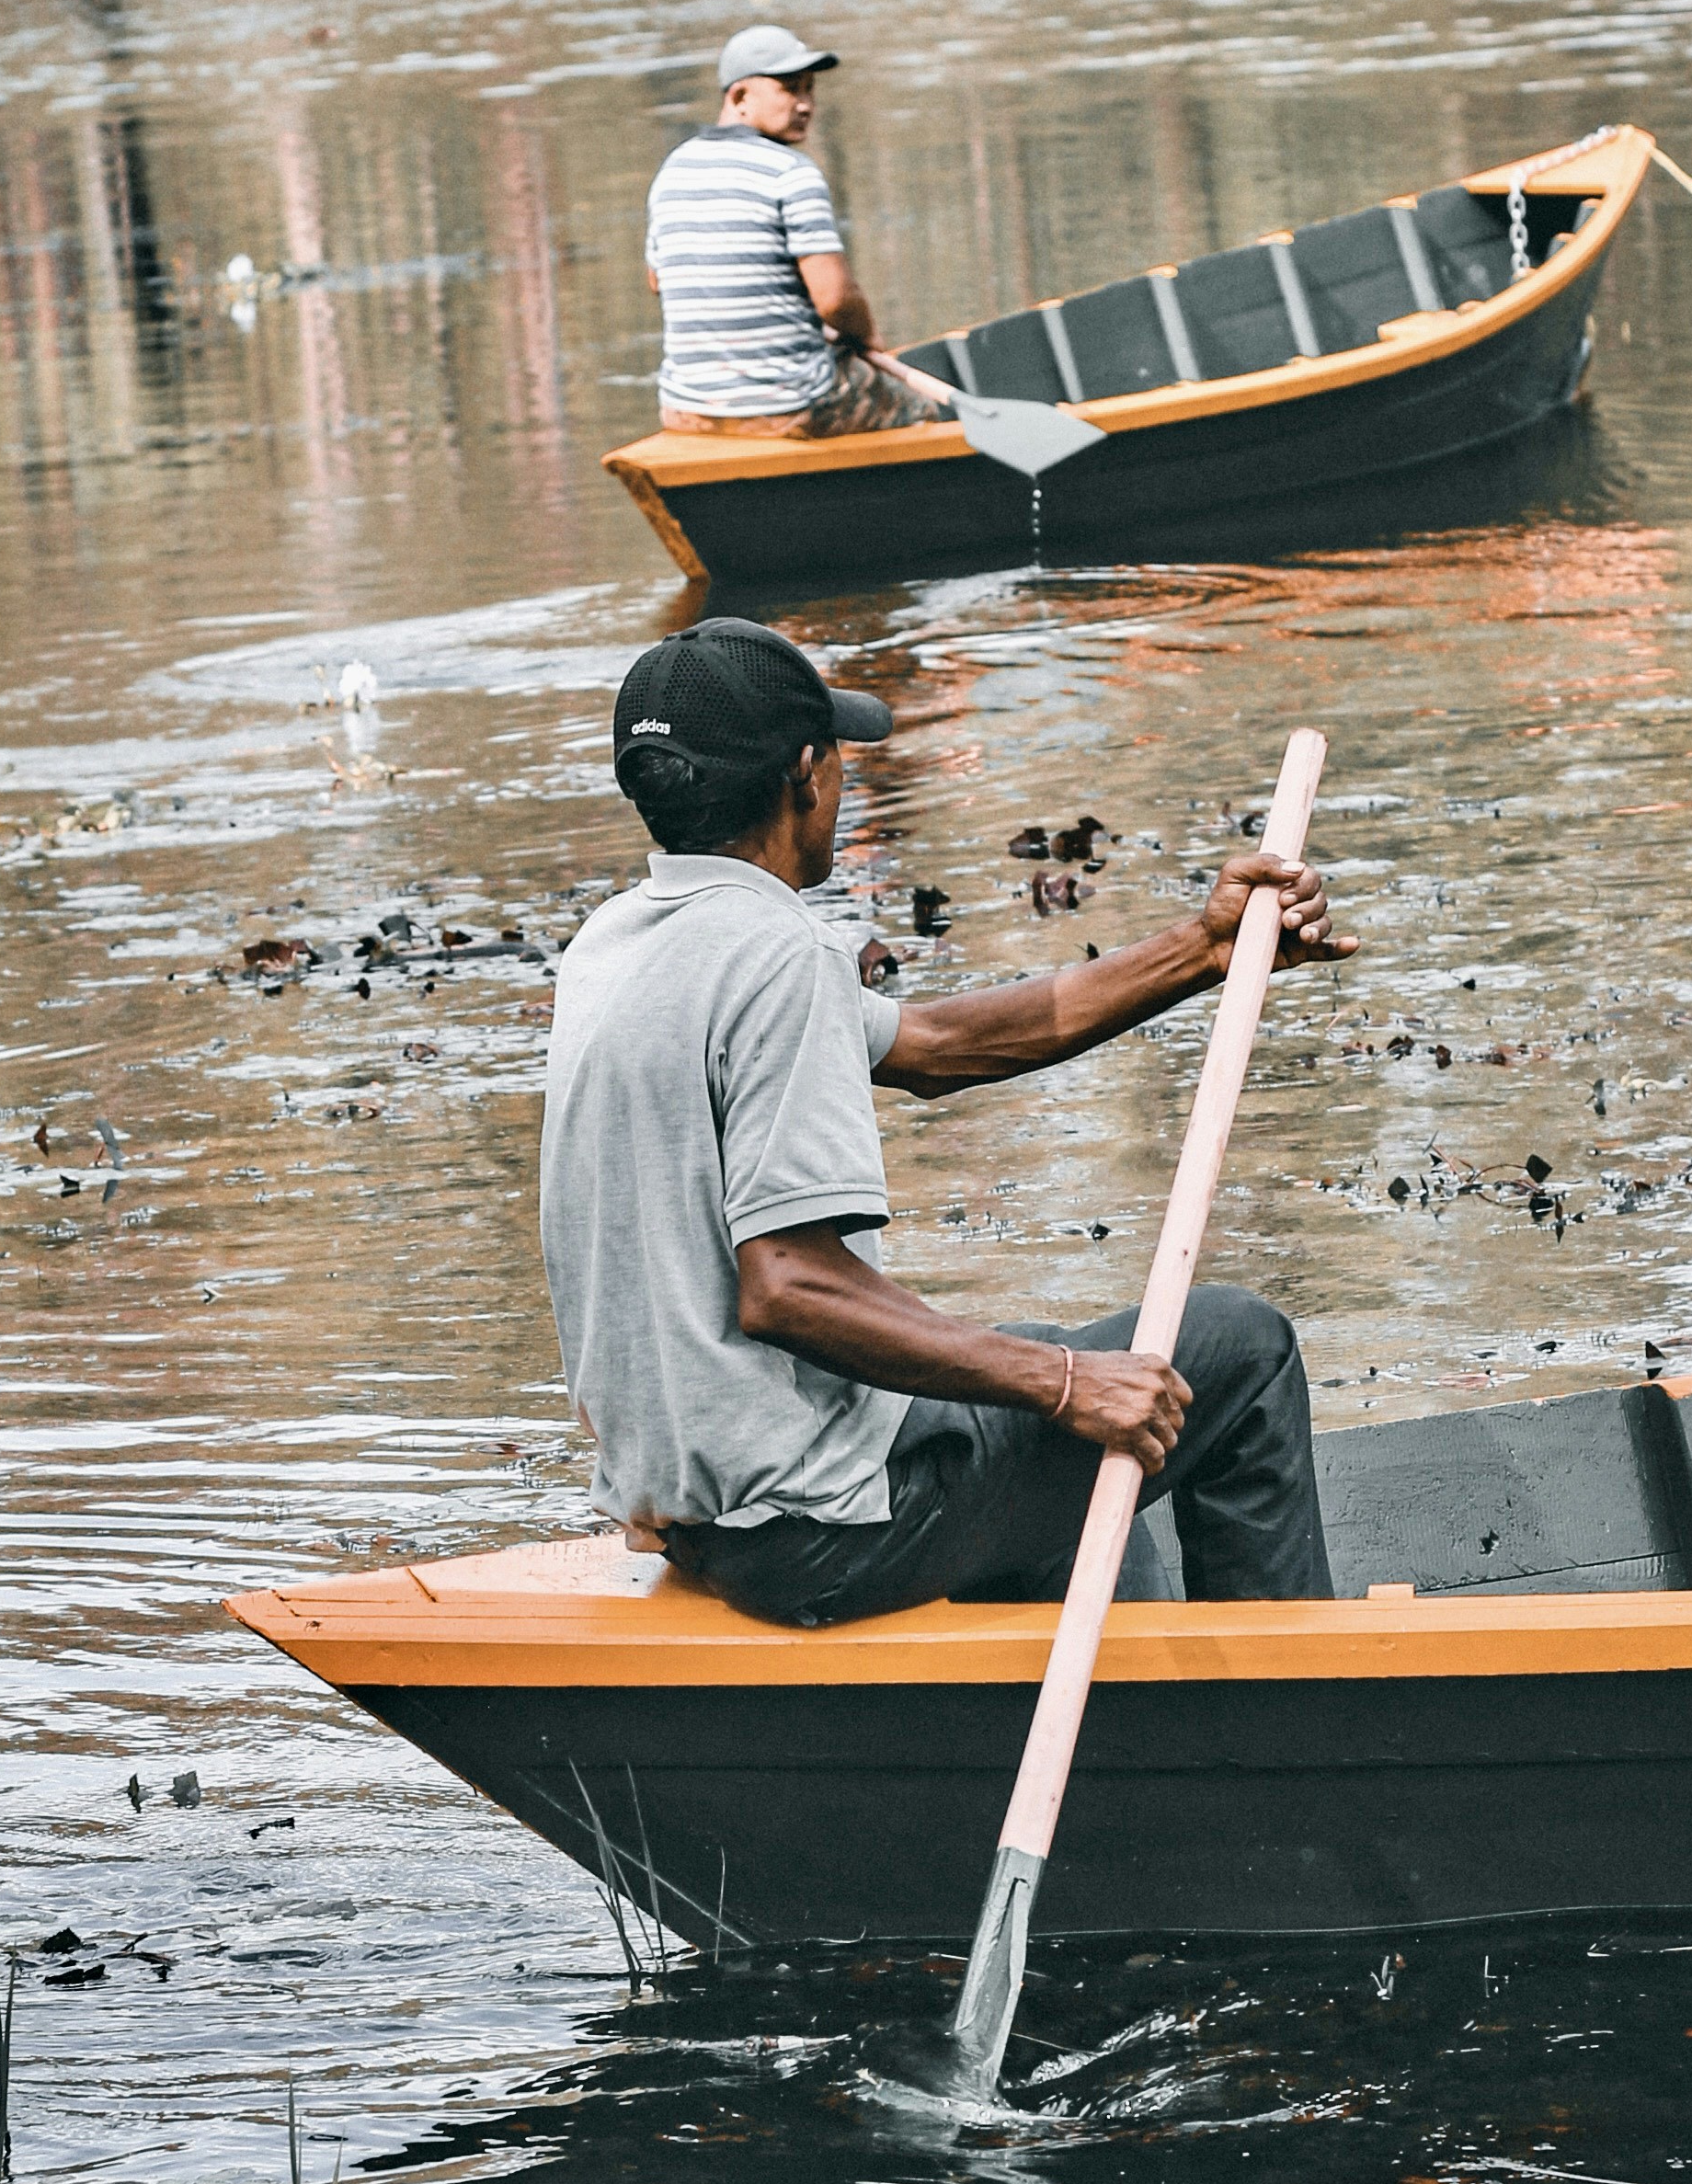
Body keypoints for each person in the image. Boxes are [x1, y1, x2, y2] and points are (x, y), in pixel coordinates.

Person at [539, 614, 1342, 1628]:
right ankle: (1286, 1719)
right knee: (1240, 1346)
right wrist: (1060, 1384)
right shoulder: (777, 958)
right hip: (814, 1531)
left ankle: (1112, 1692)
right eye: (838, 758)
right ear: (806, 776)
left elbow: (942, 1047)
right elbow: (788, 1287)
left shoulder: (613, 944)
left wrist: (1202, 948)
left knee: (1065, 1361)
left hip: (702, 1509)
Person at [645, 21, 949, 441]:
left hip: (685, 408)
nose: (806, 105)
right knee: (923, 413)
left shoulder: (673, 171)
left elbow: (660, 281)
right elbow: (835, 300)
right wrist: (867, 335)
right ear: (739, 97)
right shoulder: (790, 173)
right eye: (790, 89)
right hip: (789, 406)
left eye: (809, 89)